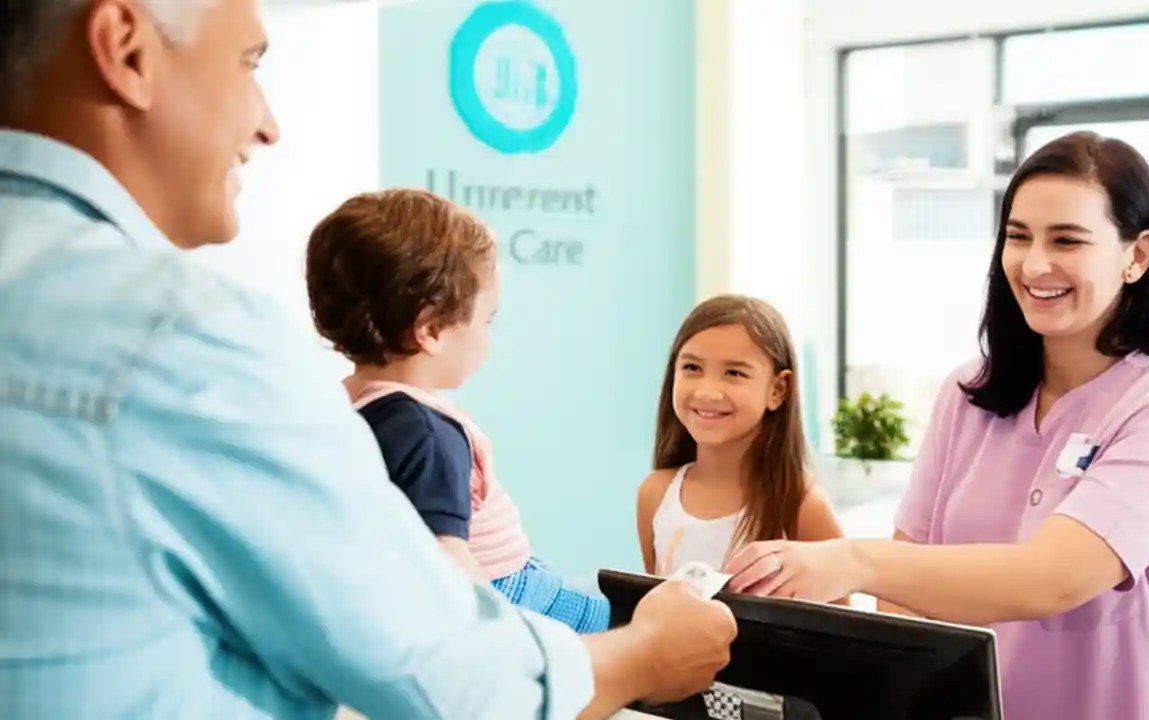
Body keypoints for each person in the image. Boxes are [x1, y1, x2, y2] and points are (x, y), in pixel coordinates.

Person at [0, 1, 735, 718]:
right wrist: (643, 652)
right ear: (127, 48)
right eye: (249, 62)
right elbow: (451, 682)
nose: (268, 124)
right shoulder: (174, 336)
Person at [724, 132, 1149, 719]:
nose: (1035, 264)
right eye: (1018, 236)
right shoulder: (968, 396)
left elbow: (1052, 578)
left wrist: (851, 559)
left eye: (1067, 240)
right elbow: (904, 597)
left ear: (1136, 256)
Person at [306, 189, 609, 634]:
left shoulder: (342, 407)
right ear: (430, 330)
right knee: (631, 622)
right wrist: (511, 643)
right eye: (487, 320)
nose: (490, 336)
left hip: (512, 578)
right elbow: (451, 571)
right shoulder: (427, 431)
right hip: (510, 594)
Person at [636, 295, 844, 578]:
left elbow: (840, 620)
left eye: (734, 373)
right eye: (692, 368)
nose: (707, 392)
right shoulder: (655, 494)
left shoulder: (801, 507)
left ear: (777, 390)